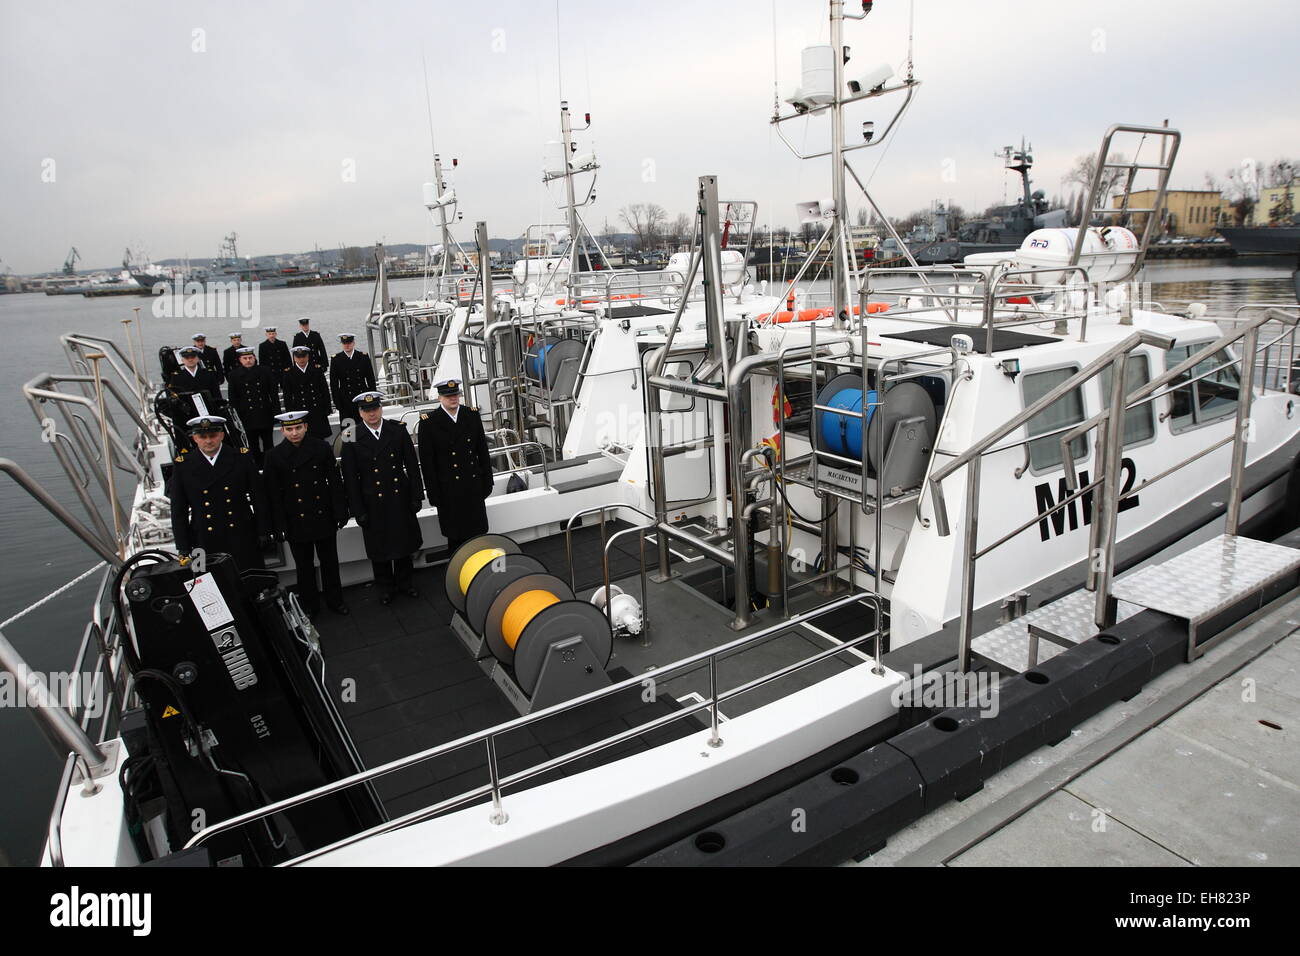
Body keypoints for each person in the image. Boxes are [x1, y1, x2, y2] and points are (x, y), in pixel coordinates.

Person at [341, 391, 423, 604]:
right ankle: (385, 587)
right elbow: (350, 478)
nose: (372, 414)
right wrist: (357, 509)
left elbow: (412, 466)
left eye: (375, 409)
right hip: (372, 501)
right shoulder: (351, 436)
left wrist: (416, 495)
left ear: (381, 408)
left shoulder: (397, 430)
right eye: (367, 410)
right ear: (360, 413)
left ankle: (405, 583)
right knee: (379, 548)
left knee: (403, 544)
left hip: (399, 497)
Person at [264, 410, 349, 616]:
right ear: (282, 431)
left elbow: (335, 483)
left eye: (298, 428)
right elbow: (273, 495)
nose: (294, 433)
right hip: (296, 520)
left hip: (323, 515)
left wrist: (340, 511)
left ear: (306, 427)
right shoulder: (273, 456)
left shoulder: (321, 448)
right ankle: (310, 605)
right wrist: (279, 525)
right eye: (289, 429)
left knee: (330, 562)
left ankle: (335, 601)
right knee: (304, 566)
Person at [168, 415, 270, 572]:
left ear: (221, 435)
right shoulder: (183, 466)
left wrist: (263, 531)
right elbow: (178, 509)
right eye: (203, 436)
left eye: (213, 435)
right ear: (195, 438)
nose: (208, 441)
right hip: (203, 539)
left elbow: (259, 498)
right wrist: (183, 546)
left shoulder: (241, 458)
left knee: (251, 581)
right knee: (210, 588)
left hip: (242, 533)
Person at [417, 378, 495, 557]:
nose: (453, 398)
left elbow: (482, 452)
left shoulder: (471, 415)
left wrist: (487, 482)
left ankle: (480, 571)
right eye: (448, 395)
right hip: (448, 491)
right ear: (439, 398)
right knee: (455, 539)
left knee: (477, 535)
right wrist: (433, 493)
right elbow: (428, 464)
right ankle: (459, 574)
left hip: (473, 486)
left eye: (455, 395)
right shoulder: (429, 422)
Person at [226, 347, 280, 464]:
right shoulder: (234, 375)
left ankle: (270, 464)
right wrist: (236, 418)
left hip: (265, 412)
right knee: (252, 444)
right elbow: (233, 398)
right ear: (240, 360)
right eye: (245, 358)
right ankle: (256, 465)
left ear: (255, 358)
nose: (248, 360)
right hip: (247, 415)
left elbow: (273, 394)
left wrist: (277, 413)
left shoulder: (265, 371)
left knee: (268, 443)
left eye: (250, 357)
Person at [281, 345, 333, 440]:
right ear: (294, 358)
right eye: (298, 357)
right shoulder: (289, 373)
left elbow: (324, 390)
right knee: (303, 439)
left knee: (319, 439)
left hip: (317, 410)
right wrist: (290, 414)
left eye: (303, 356)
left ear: (308, 357)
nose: (301, 359)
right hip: (300, 411)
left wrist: (327, 408)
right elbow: (287, 396)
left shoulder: (317, 370)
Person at [329, 333, 376, 426]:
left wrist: (372, 398)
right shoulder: (336, 359)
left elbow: (370, 379)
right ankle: (349, 441)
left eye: (349, 343)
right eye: (344, 343)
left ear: (353, 343)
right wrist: (337, 403)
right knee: (349, 432)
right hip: (345, 402)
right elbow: (334, 384)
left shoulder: (363, 357)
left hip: (362, 399)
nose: (347, 345)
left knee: (365, 428)